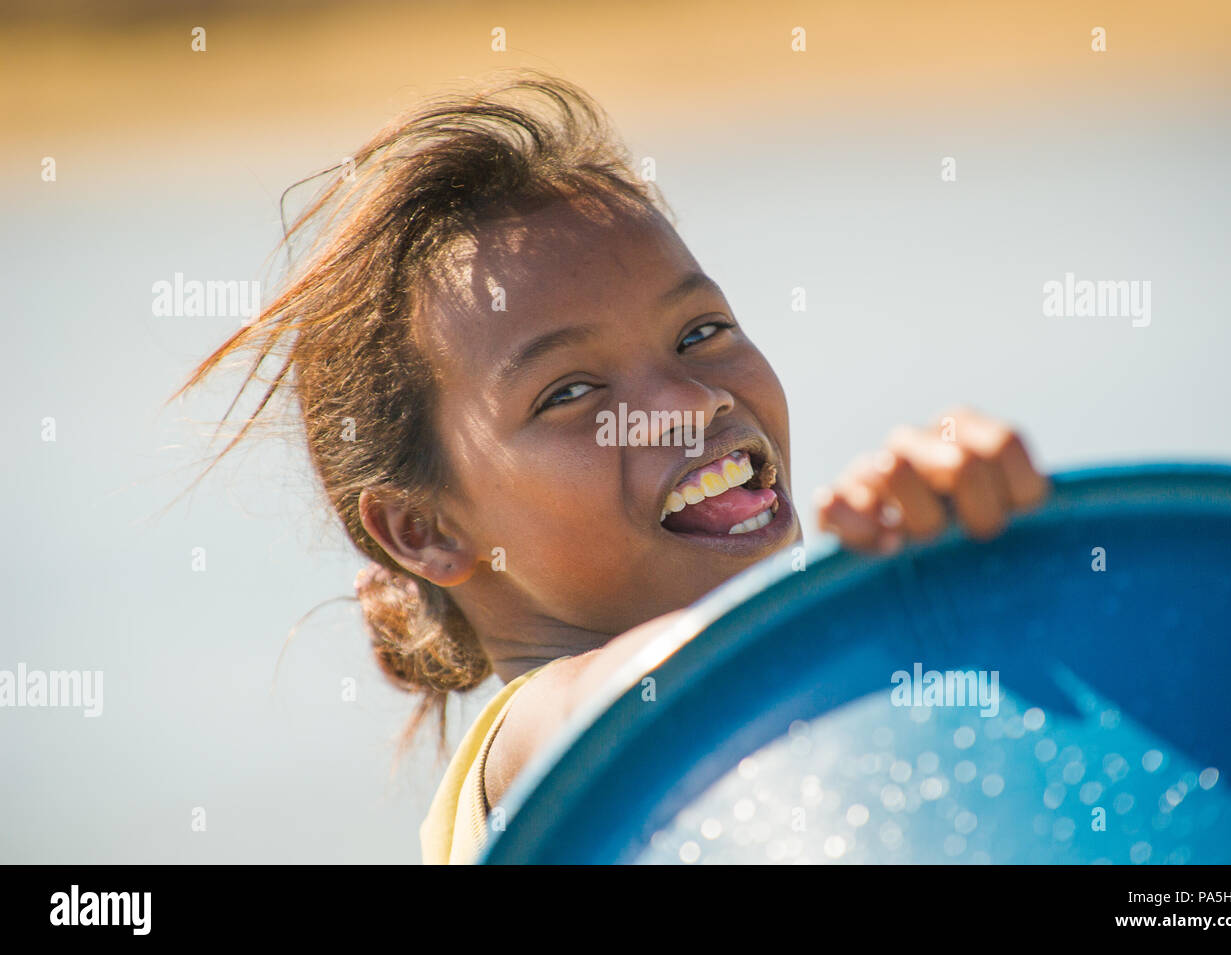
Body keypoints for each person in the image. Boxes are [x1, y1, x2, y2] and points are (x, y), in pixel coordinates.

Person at [175, 70, 1047, 864]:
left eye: (701, 333)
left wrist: (1005, 577)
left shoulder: (819, 724)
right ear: (426, 529)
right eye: (572, 391)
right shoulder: (529, 746)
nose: (688, 403)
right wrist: (889, 592)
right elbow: (644, 693)